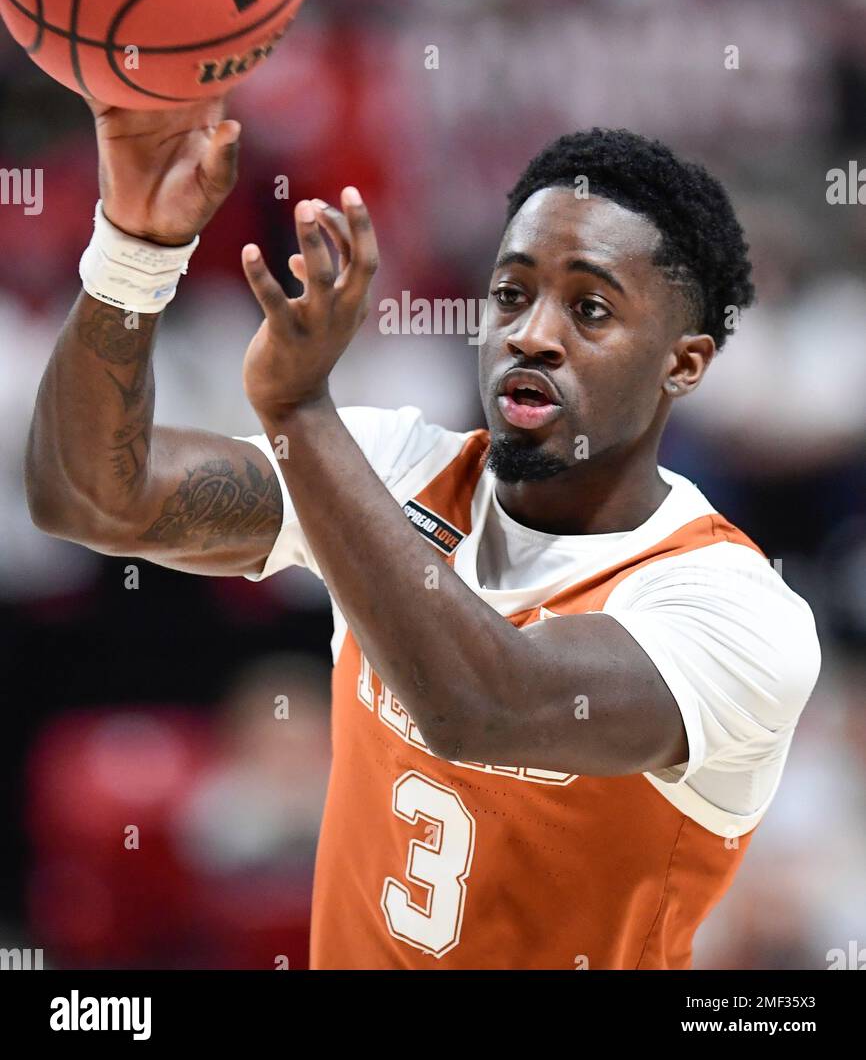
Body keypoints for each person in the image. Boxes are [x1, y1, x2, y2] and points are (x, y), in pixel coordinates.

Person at [26, 99, 821, 970]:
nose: (532, 334)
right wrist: (132, 255)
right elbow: (90, 497)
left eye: (590, 310)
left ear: (684, 361)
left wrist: (298, 410)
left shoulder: (735, 609)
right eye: (512, 294)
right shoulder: (391, 466)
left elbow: (481, 707)